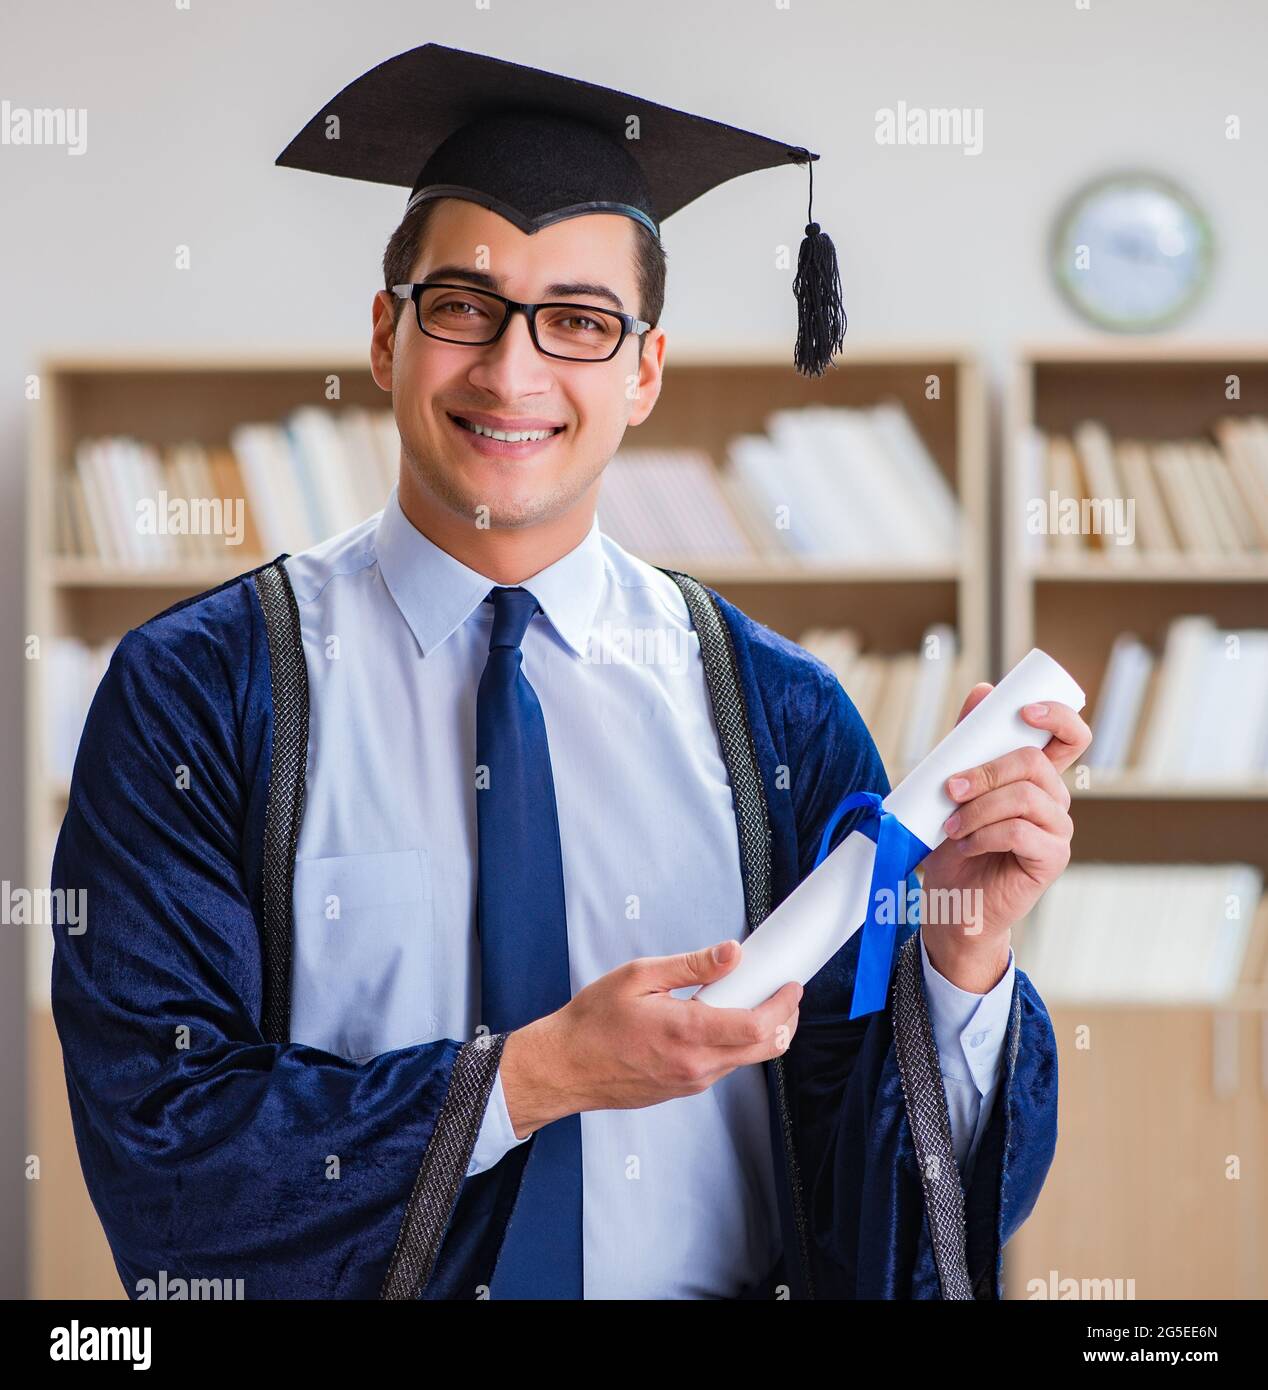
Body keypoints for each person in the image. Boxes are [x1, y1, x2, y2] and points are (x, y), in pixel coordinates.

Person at [50, 43, 1088, 1300]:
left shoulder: (779, 717)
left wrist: (959, 961)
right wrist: (537, 1075)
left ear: (644, 371)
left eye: (581, 322)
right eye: (462, 306)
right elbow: (161, 1145)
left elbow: (887, 1196)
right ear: (386, 336)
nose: (511, 370)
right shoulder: (202, 692)